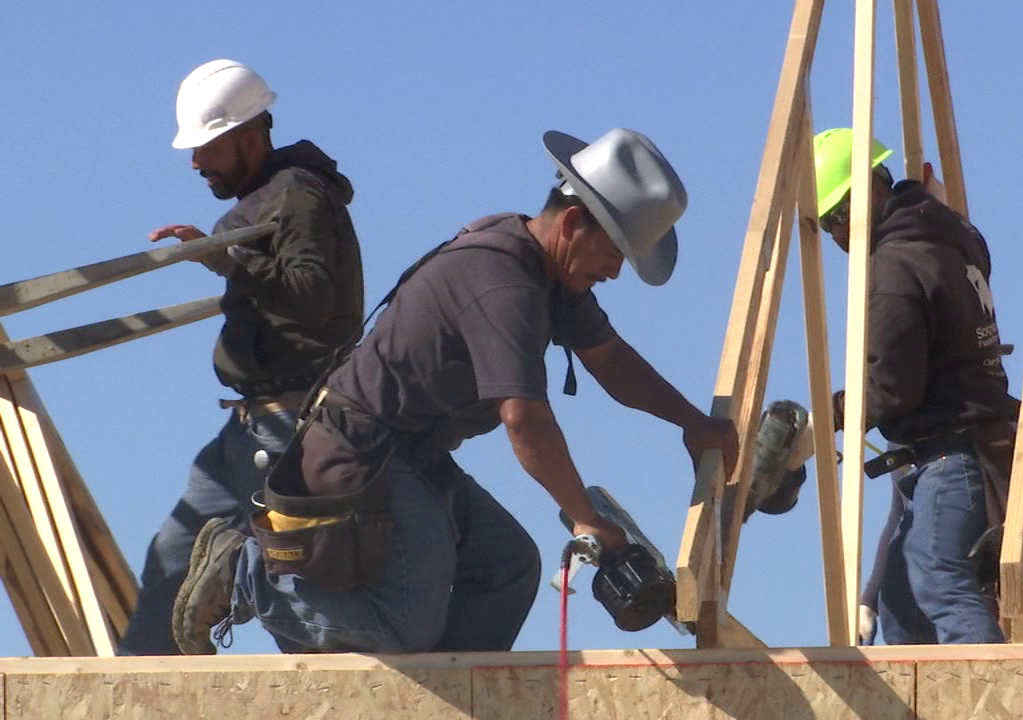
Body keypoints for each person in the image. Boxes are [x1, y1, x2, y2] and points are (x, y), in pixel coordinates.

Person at [170, 128, 740, 655]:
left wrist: (692, 421)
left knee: (507, 568)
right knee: (400, 624)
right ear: (571, 224)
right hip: (363, 453)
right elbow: (526, 421)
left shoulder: (551, 275)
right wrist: (585, 517)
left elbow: (611, 361)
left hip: (414, 455)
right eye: (614, 251)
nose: (615, 271)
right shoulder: (504, 280)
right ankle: (241, 573)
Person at [119, 59, 364, 655]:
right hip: (252, 424)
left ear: (247, 138)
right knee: (173, 564)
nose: (196, 163)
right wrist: (225, 252)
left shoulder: (299, 195)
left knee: (296, 598)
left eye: (207, 149)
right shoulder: (267, 197)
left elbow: (311, 295)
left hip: (288, 423)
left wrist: (226, 258)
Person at [815, 127, 1017, 644]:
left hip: (954, 456)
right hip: (963, 452)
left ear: (875, 190)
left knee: (941, 584)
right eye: (827, 225)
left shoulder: (894, 266)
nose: (838, 237)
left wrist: (827, 418)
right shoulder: (953, 238)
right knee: (901, 607)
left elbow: (892, 388)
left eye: (839, 217)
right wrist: (867, 596)